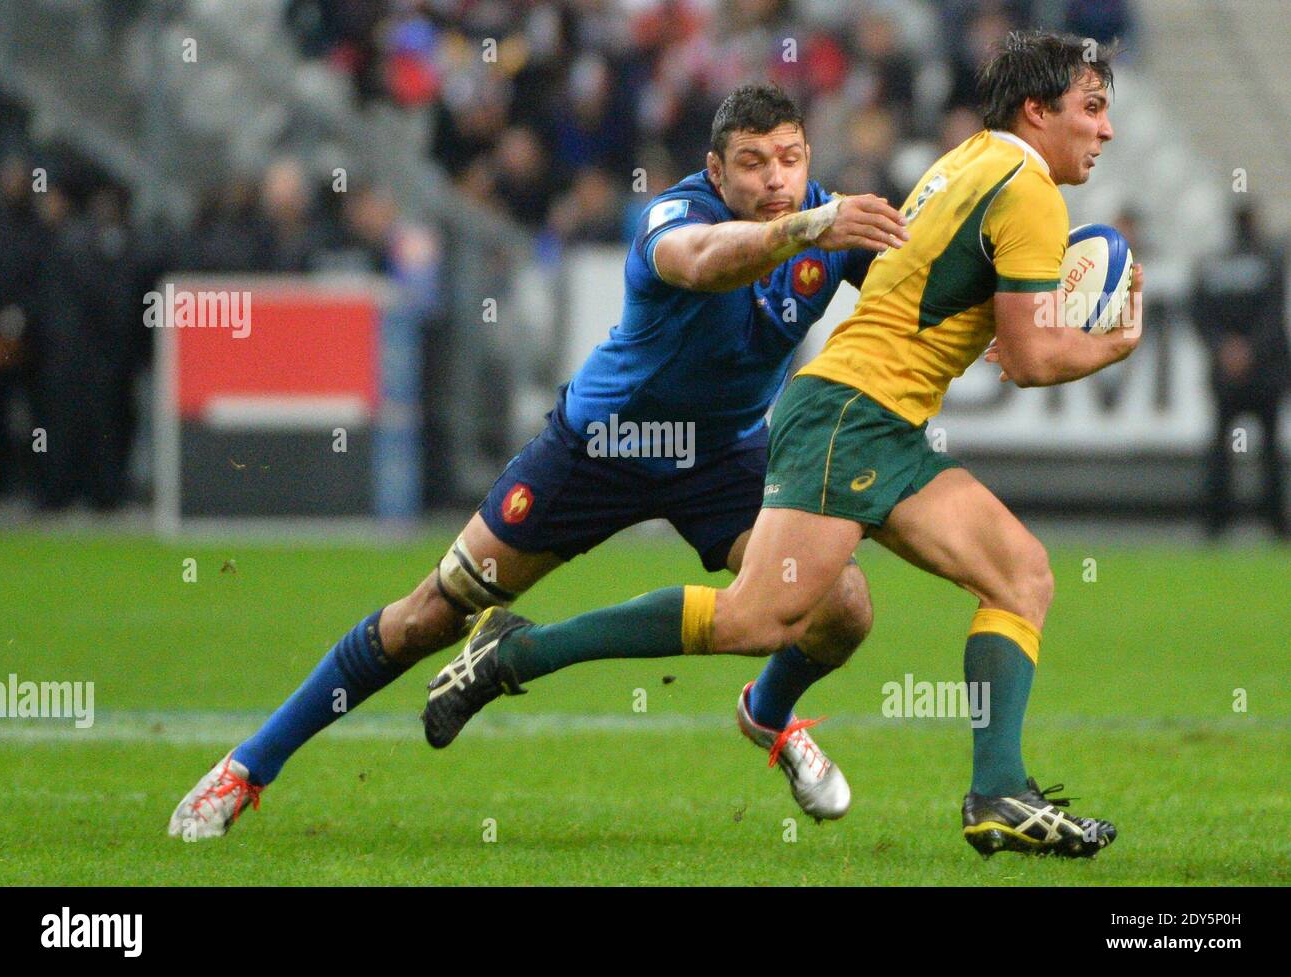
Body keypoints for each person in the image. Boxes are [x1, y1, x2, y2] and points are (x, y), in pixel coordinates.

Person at [426, 31, 1143, 859]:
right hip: (848, 417)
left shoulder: (972, 158)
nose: (1105, 130)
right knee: (756, 617)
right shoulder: (1031, 193)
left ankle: (998, 795)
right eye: (1091, 110)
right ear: (1036, 110)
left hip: (880, 419)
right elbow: (1028, 358)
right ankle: (516, 650)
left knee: (1020, 574)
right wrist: (1112, 342)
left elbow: (919, 287)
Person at [168, 84, 910, 840]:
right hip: (600, 447)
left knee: (842, 603)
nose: (775, 180)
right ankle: (246, 767)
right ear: (716, 174)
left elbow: (921, 288)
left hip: (723, 455)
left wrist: (991, 310)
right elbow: (706, 263)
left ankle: (769, 715)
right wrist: (813, 227)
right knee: (430, 613)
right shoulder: (680, 218)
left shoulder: (833, 218)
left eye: (789, 159)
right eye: (752, 164)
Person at [1194, 202, 1290, 539]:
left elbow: (1200, 314)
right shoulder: (1269, 262)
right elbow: (1274, 317)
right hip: (1265, 373)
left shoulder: (1212, 264)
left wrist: (1224, 347)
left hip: (1226, 374)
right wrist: (1250, 350)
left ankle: (1216, 523)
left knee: (1221, 451)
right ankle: (1276, 523)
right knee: (1270, 452)